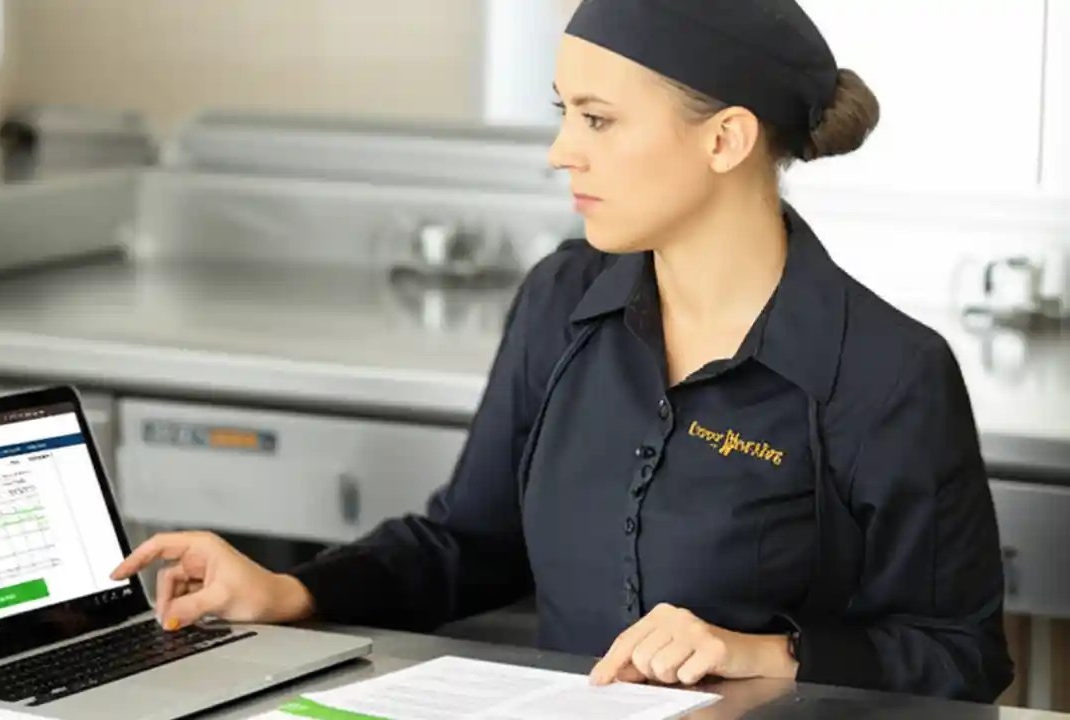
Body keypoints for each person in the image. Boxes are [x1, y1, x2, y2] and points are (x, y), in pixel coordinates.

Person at [112, 0, 1013, 701]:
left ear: (726, 139)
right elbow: (466, 542)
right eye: (564, 114)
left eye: (597, 119)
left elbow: (959, 654)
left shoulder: (888, 373)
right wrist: (289, 593)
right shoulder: (561, 299)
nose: (559, 152)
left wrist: (767, 654)